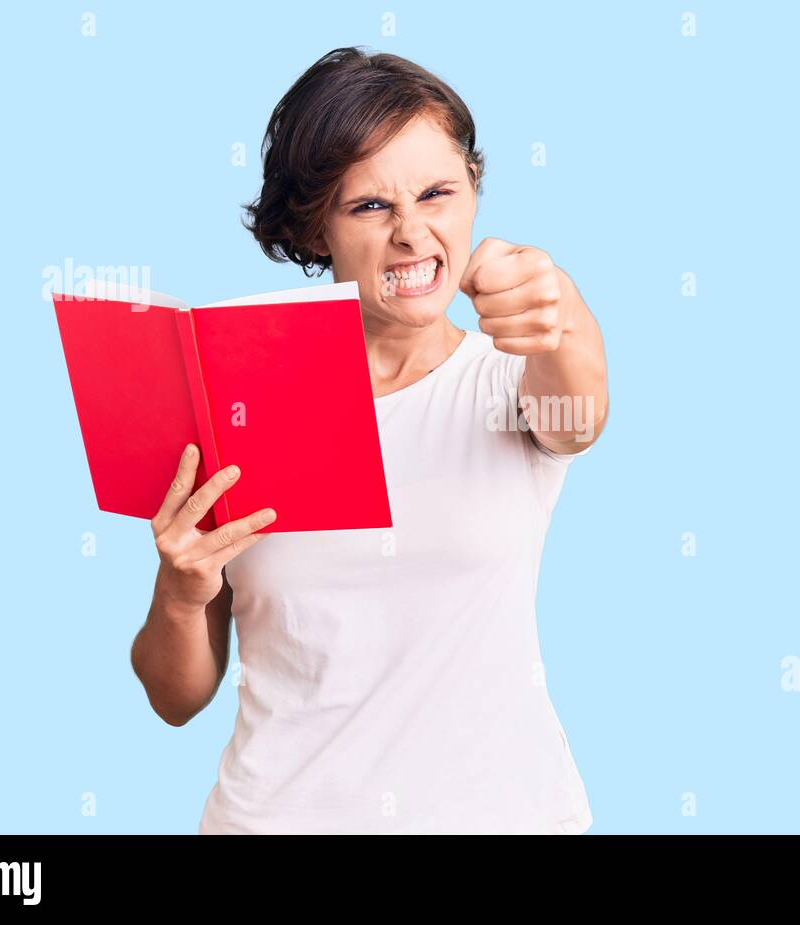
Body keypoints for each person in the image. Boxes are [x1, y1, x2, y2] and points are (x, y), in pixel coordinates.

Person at [129, 47, 609, 834]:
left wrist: (560, 310)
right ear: (317, 226)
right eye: (370, 207)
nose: (412, 233)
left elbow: (580, 406)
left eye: (436, 193)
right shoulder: (236, 404)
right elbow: (175, 697)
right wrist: (180, 591)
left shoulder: (511, 379)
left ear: (475, 192)